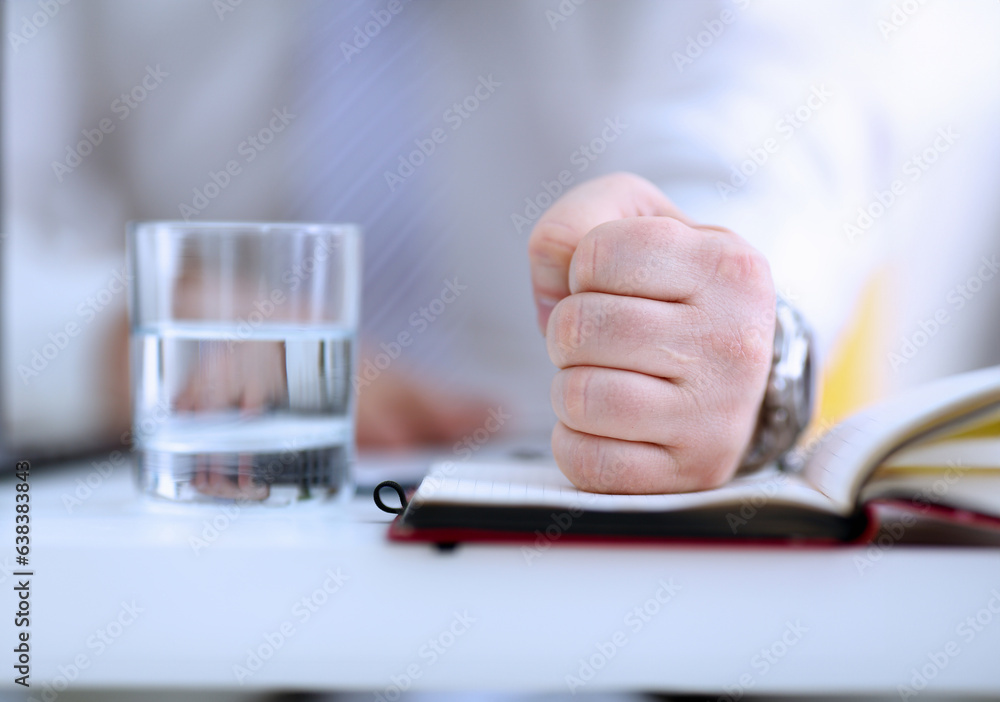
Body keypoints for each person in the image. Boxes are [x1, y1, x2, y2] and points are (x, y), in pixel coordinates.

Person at [6, 1, 1000, 498]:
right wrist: (120, 334)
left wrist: (702, 297)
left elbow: (788, 92)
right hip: (161, 531)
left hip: (590, 555)